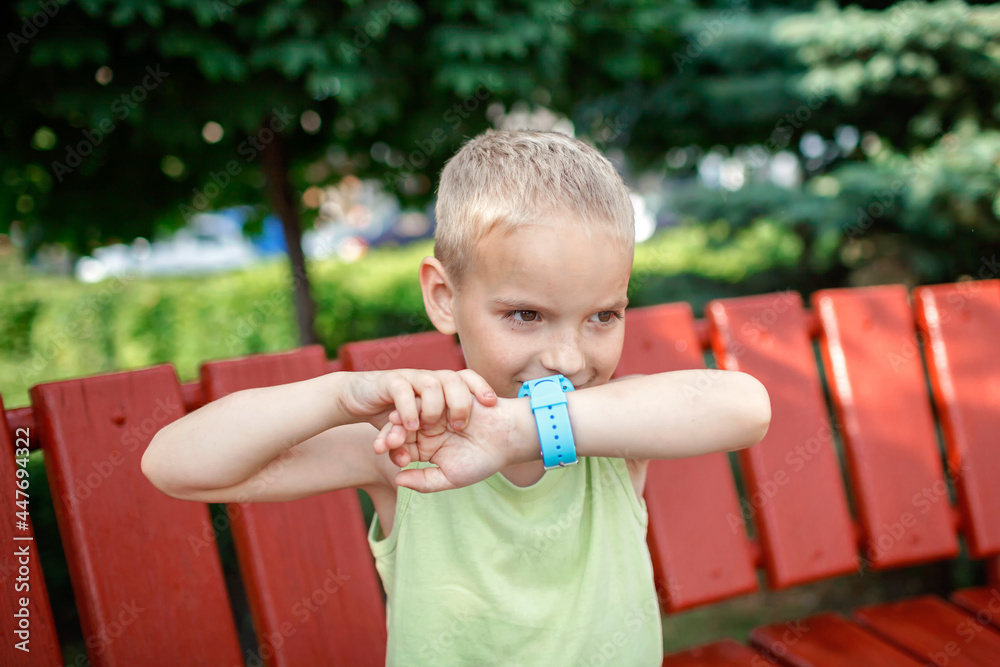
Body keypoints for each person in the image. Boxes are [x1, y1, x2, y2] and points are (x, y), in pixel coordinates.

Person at [141, 129, 771, 666]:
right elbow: (174, 465)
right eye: (526, 314)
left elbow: (744, 405)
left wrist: (524, 430)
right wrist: (343, 394)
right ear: (444, 298)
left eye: (603, 316)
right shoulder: (408, 444)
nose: (570, 359)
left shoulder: (612, 428)